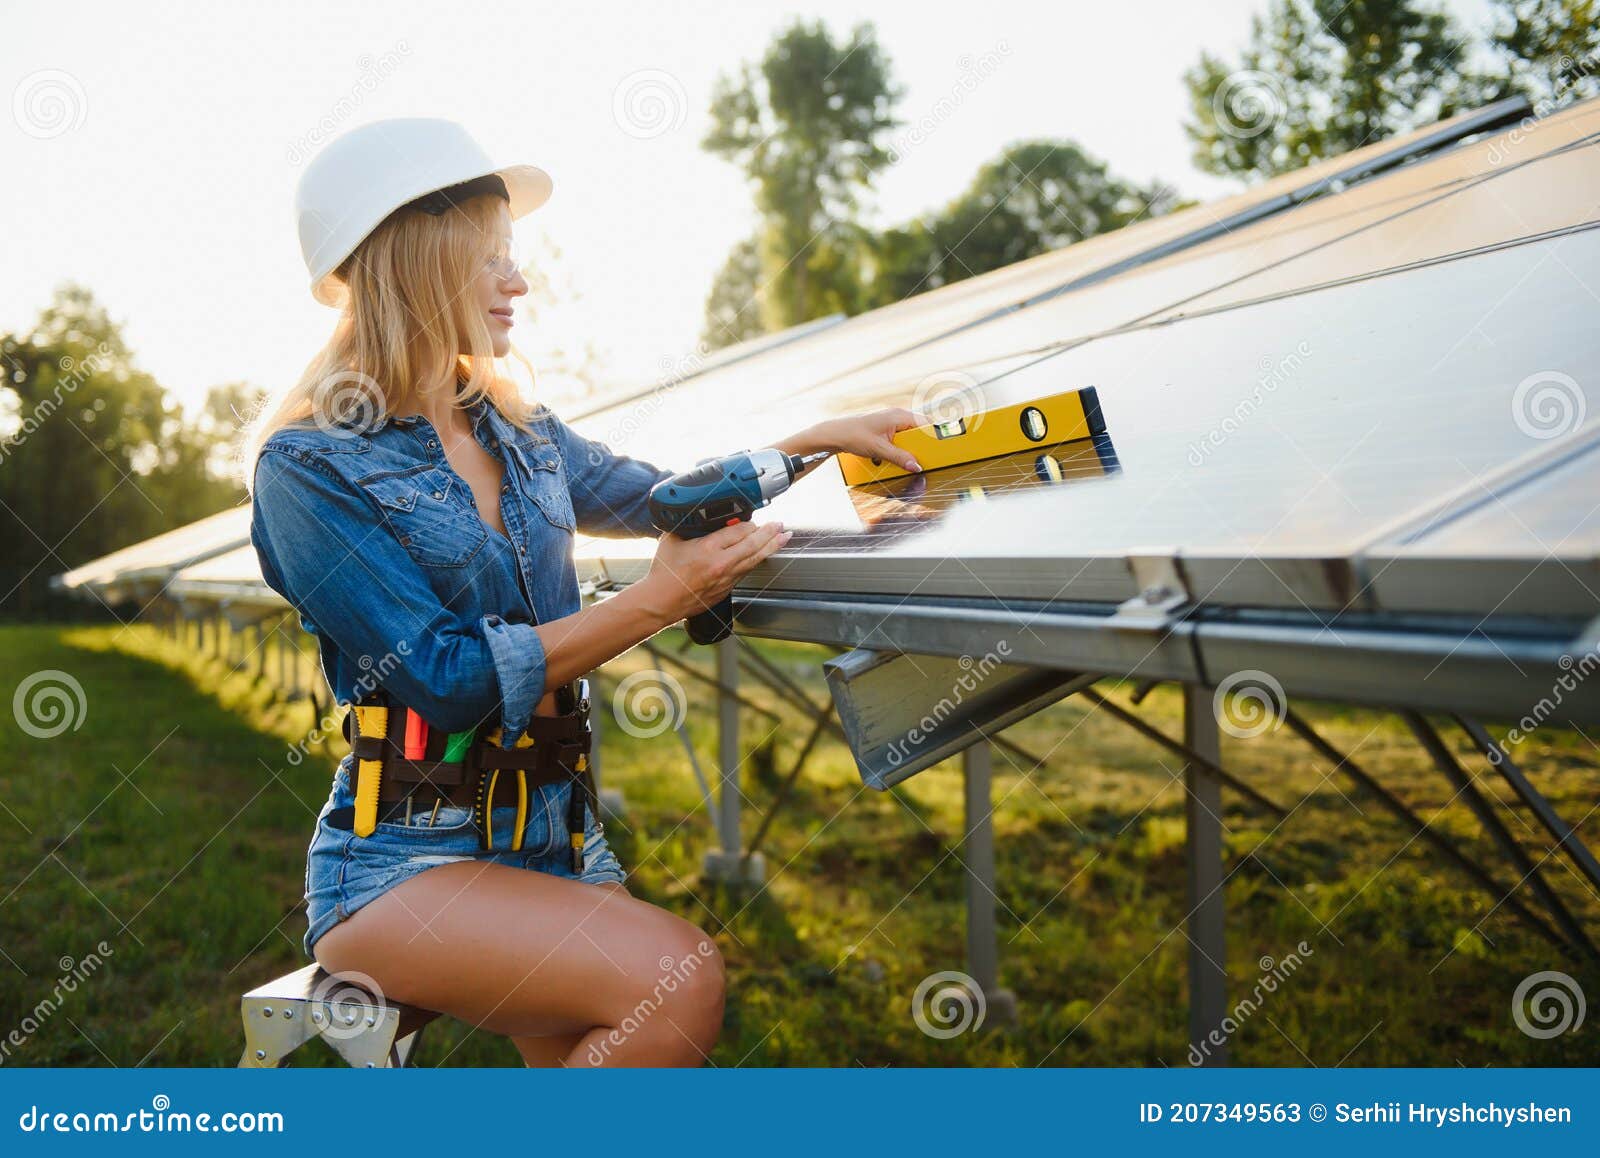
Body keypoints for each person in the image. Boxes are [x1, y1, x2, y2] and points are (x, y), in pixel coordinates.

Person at [242, 118, 918, 1067]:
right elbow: (444, 679)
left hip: (553, 836)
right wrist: (657, 602)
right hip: (400, 865)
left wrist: (809, 448)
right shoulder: (309, 466)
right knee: (678, 975)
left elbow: (661, 499)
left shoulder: (519, 430)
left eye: (512, 258)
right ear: (413, 261)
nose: (518, 283)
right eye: (488, 260)